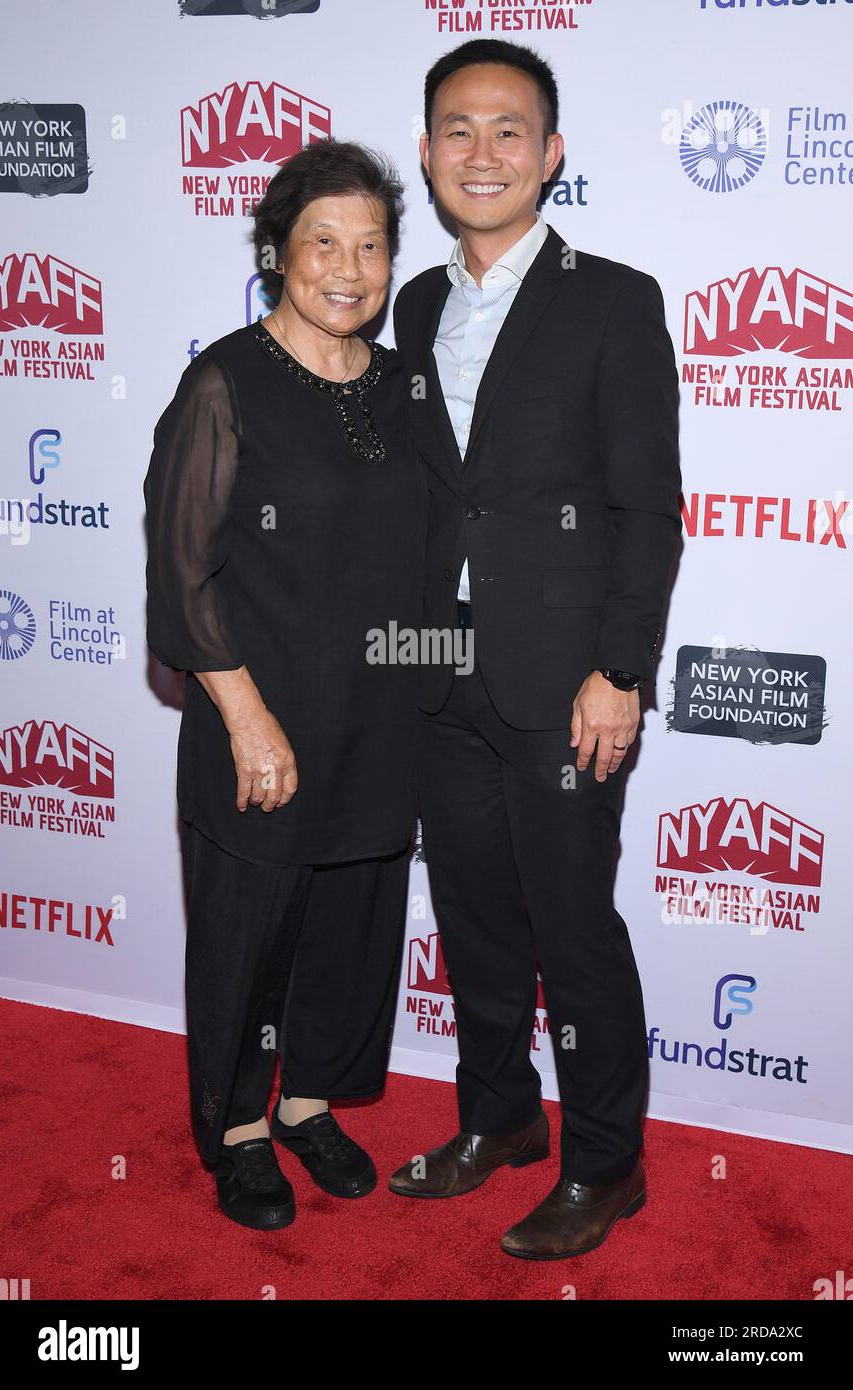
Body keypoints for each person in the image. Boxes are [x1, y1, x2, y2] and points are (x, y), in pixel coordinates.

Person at [387, 39, 682, 1260]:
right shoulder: (410, 305)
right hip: (435, 668)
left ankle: (606, 1164)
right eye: (458, 129)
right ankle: (499, 1121)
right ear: (426, 154)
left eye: (510, 130)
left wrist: (618, 672)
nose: (483, 152)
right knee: (474, 921)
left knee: (573, 928)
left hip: (564, 682)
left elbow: (646, 506)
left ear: (551, 155)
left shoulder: (614, 298)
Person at [143, 139, 426, 1231]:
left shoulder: (404, 383)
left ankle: (307, 1101)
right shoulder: (225, 380)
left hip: (376, 717)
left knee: (353, 921)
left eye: (370, 245)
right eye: (324, 241)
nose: (348, 267)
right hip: (256, 715)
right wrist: (249, 720)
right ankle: (240, 1128)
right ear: (276, 252)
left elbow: (433, 542)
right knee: (250, 928)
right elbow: (182, 570)